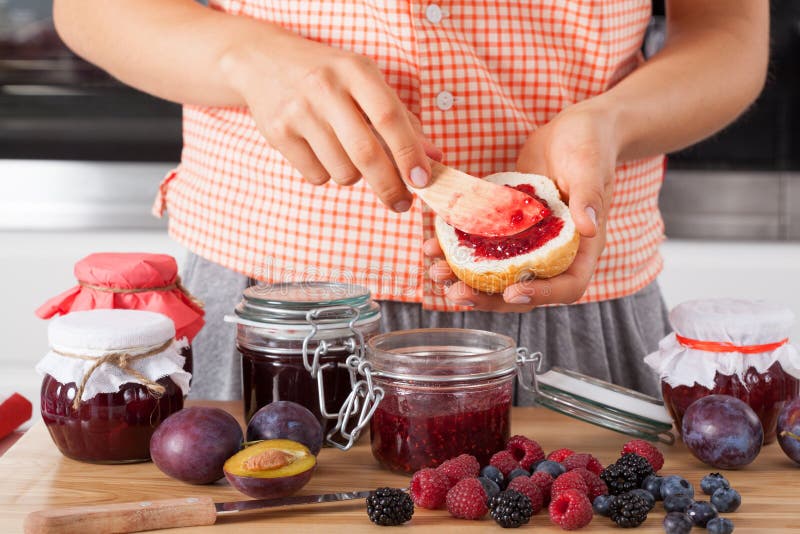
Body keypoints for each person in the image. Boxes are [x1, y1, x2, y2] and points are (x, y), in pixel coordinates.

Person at [53, 1, 768, 401]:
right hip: (268, 313)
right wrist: (241, 57)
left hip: (571, 310)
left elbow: (728, 32)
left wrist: (611, 125)